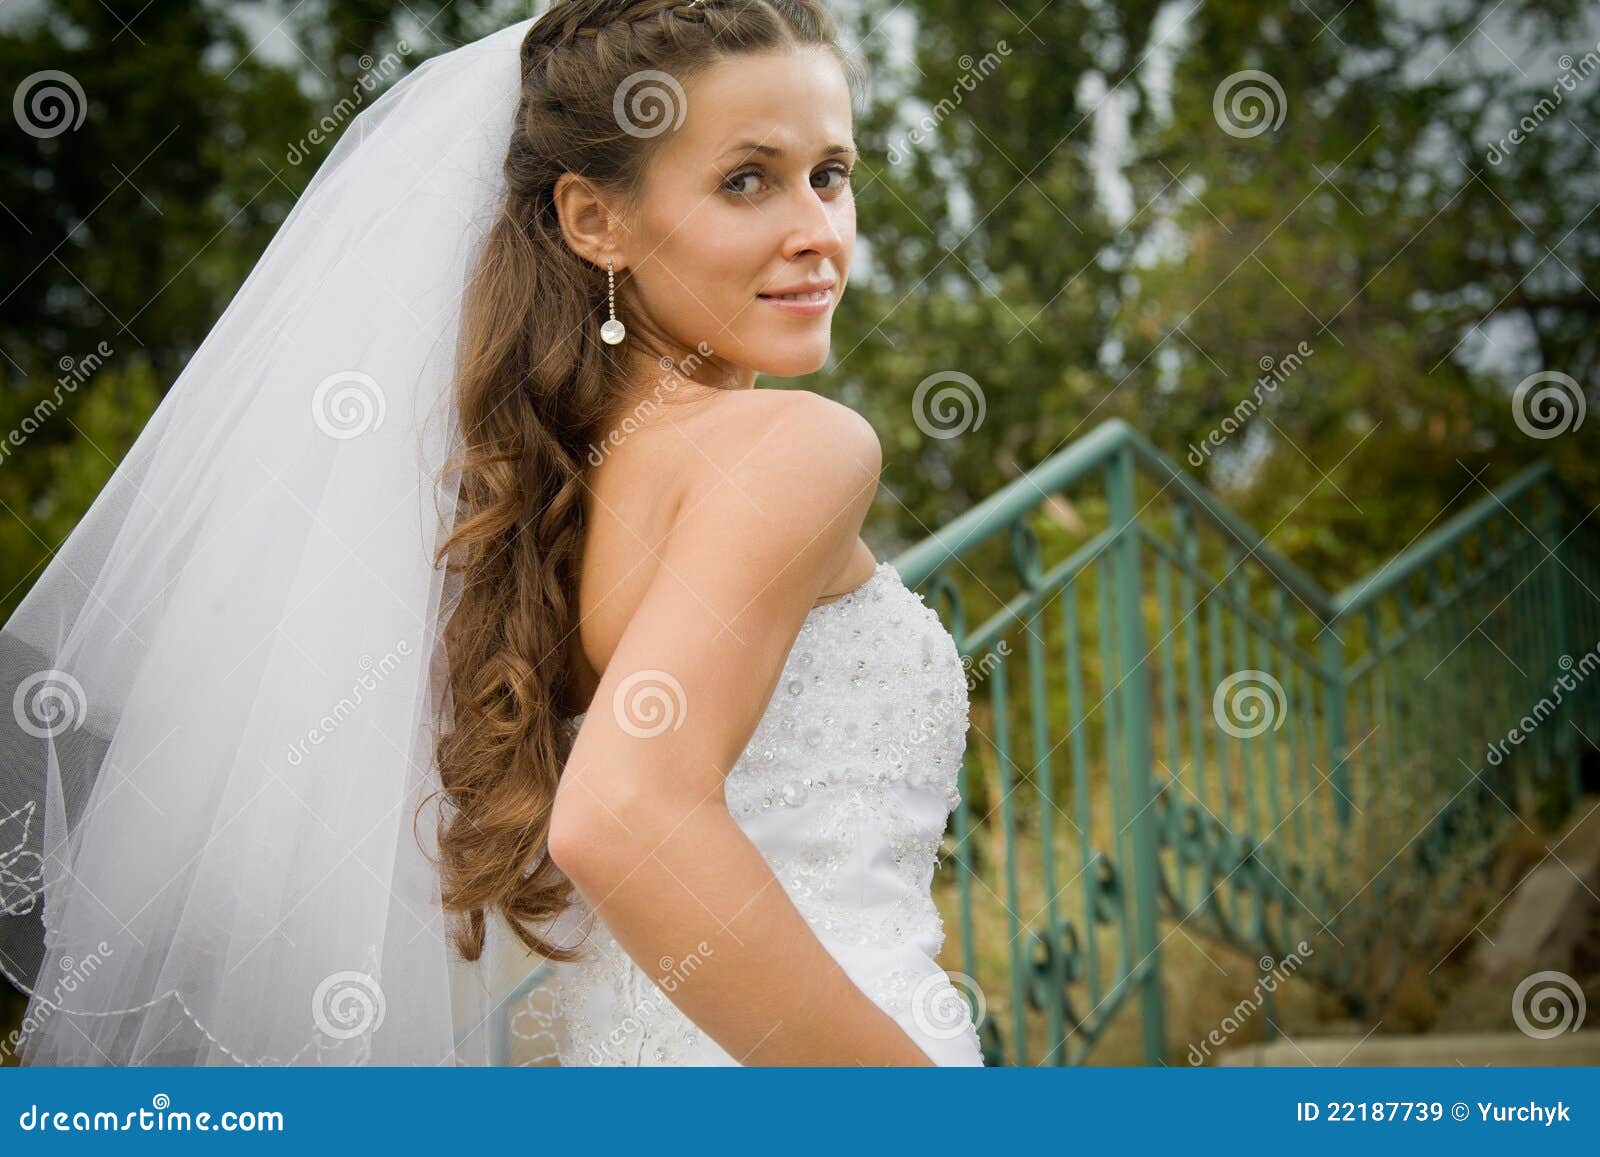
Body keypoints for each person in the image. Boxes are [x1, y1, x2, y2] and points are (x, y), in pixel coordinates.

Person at [0, 0, 983, 1067]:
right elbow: (620, 819)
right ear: (592, 219)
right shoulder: (797, 449)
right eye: (746, 179)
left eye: (828, 173)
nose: (815, 231)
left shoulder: (525, 510)